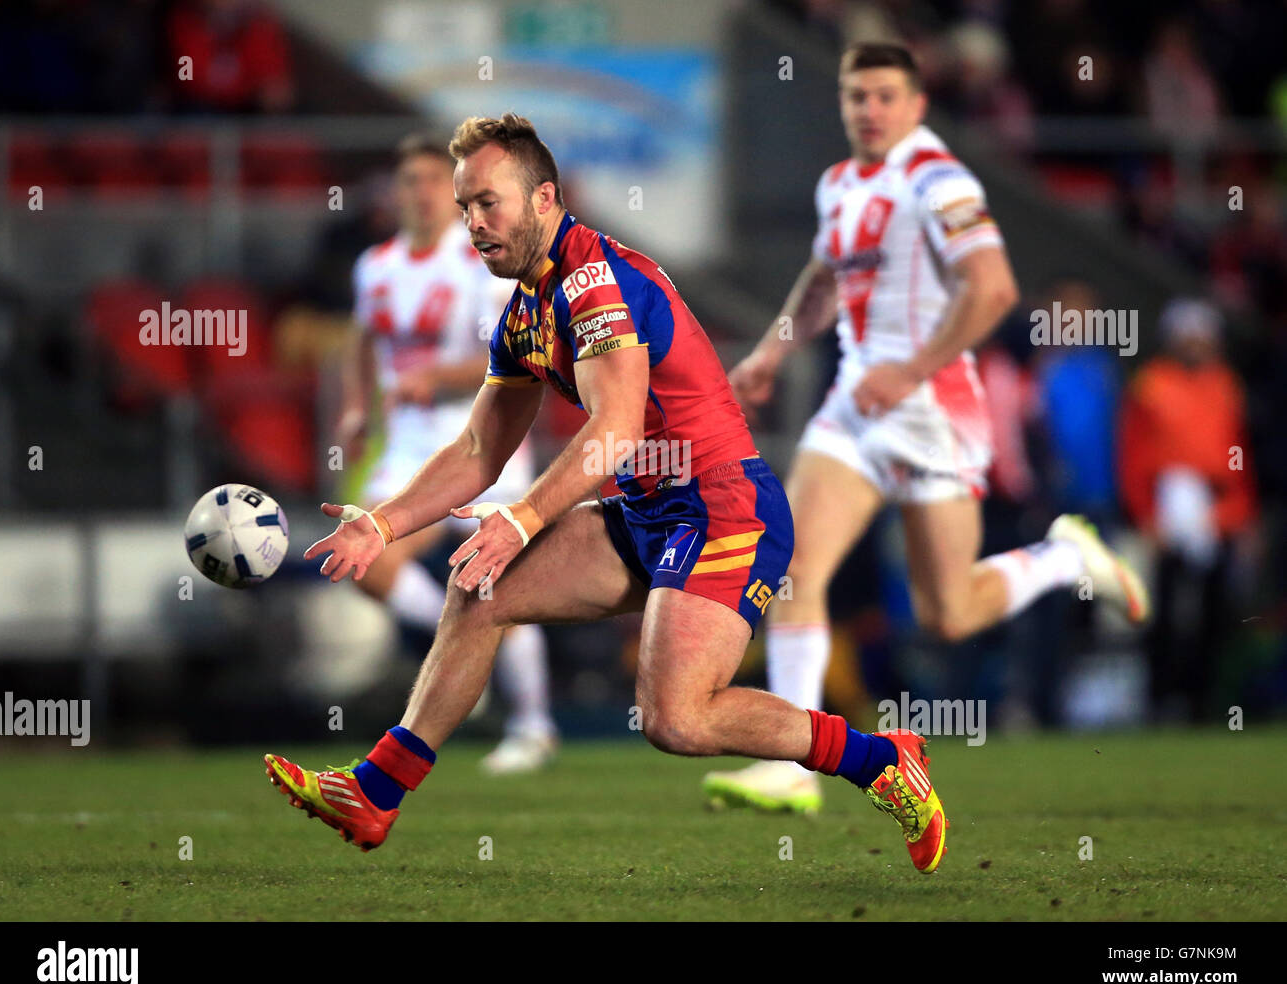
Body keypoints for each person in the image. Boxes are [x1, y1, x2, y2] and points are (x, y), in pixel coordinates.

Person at [266, 112, 950, 873]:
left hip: (722, 506)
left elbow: (615, 430)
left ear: (546, 198)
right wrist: (381, 526)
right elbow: (479, 449)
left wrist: (522, 521)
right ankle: (375, 790)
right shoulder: (525, 309)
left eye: (488, 202)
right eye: (466, 208)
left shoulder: (595, 281)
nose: (474, 224)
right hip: (648, 513)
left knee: (676, 719)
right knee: (477, 590)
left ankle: (883, 757)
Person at [702, 43, 1148, 815]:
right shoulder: (839, 183)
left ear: (914, 106)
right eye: (857, 97)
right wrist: (774, 348)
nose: (869, 110)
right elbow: (826, 277)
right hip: (851, 408)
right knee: (793, 565)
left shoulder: (938, 179)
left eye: (884, 96)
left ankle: (1062, 554)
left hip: (934, 414)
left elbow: (996, 288)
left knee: (949, 612)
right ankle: (795, 761)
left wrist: (909, 371)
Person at [340, 134, 556, 773]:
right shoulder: (374, 265)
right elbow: (359, 343)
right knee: (364, 552)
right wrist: (357, 407)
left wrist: (436, 378)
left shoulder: (478, 266)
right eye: (411, 181)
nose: (424, 193)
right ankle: (462, 648)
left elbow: (513, 357)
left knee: (501, 582)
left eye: (437, 182)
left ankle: (534, 725)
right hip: (407, 445)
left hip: (482, 438)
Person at [1118, 298, 1259, 721]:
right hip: (1170, 500)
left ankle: (1206, 701)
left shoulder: (1224, 383)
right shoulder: (1152, 383)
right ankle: (1161, 699)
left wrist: (1241, 510)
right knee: (1162, 605)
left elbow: (1237, 451)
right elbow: (1134, 452)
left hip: (1216, 504)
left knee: (1217, 609)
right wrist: (1145, 513)